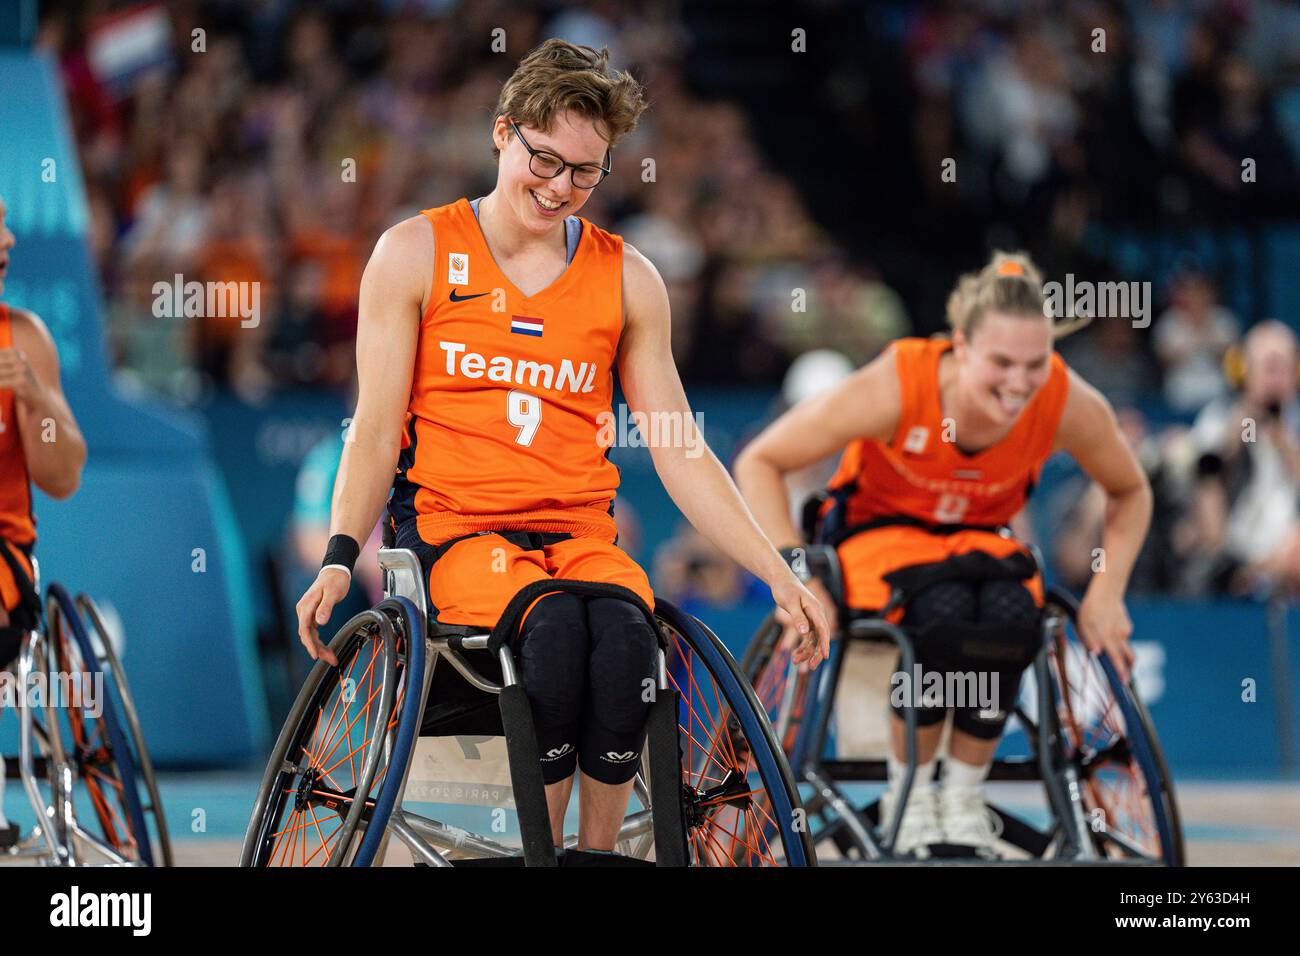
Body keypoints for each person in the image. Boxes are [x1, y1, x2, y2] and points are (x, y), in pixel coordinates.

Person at [293, 40, 829, 858]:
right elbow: (372, 429)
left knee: (625, 640)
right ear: (503, 133)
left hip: (579, 537)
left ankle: (594, 856)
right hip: (459, 533)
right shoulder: (414, 253)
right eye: (545, 160)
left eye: (586, 172)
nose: (560, 187)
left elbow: (682, 448)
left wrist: (775, 569)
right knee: (550, 638)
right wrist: (338, 554)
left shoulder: (629, 278)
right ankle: (545, 853)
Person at [735, 251, 1151, 858]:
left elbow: (1131, 490)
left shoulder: (1062, 399)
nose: (1018, 383)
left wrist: (1107, 593)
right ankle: (913, 799)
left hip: (980, 541)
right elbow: (760, 460)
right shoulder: (901, 382)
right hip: (879, 536)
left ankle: (960, 795)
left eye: (1034, 364)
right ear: (960, 345)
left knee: (1012, 617)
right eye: (1001, 363)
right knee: (945, 611)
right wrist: (794, 576)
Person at [0, 195, 88, 848]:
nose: (7, 238)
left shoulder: (21, 339)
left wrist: (36, 395)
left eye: (7, 220)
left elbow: (61, 478)